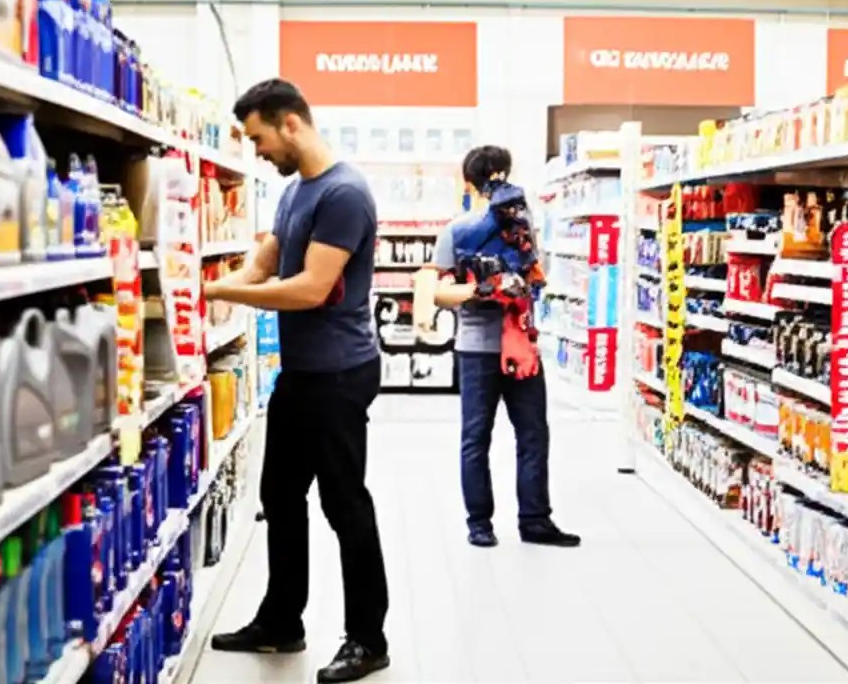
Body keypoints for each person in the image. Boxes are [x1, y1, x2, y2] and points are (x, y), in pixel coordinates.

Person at [203, 78, 389, 684]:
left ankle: (368, 638)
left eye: (258, 137)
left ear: (290, 124)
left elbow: (308, 289)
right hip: (302, 373)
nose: (256, 151)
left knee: (344, 504)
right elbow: (269, 260)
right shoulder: (295, 192)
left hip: (339, 372)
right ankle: (283, 620)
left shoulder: (344, 194)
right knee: (279, 497)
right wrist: (227, 278)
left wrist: (213, 289)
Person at [424, 145, 581, 549]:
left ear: (467, 180)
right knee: (493, 436)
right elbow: (439, 293)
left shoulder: (518, 228)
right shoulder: (461, 230)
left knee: (521, 435)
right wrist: (482, 288)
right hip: (484, 346)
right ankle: (490, 521)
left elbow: (534, 277)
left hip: (515, 342)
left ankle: (526, 520)